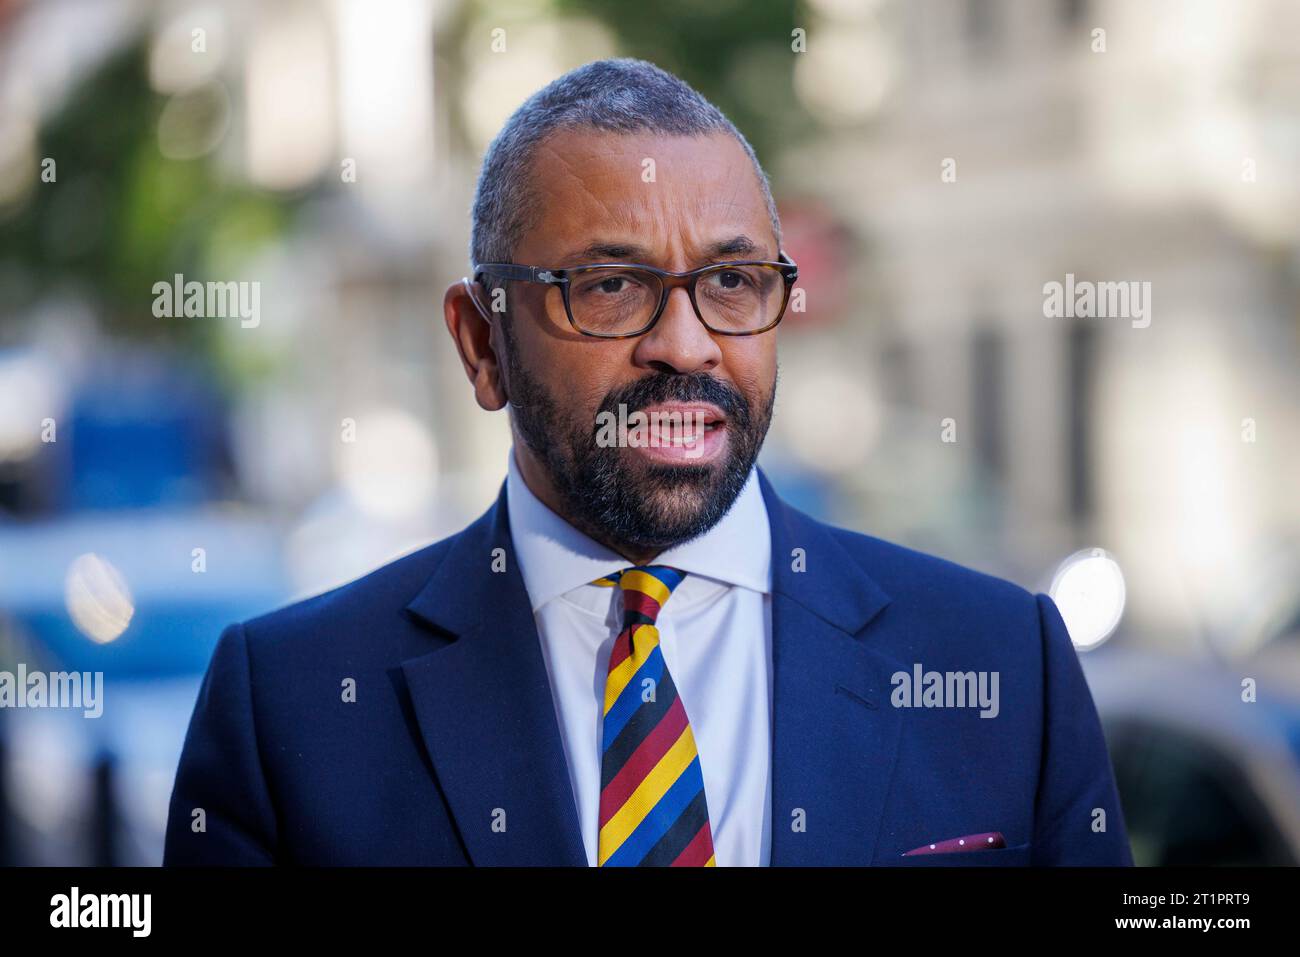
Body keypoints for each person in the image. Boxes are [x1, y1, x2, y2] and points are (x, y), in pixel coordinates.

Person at [164, 58, 1132, 867]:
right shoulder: (289, 711)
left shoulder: (1004, 667)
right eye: (614, 287)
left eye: (733, 282)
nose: (687, 343)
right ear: (480, 344)